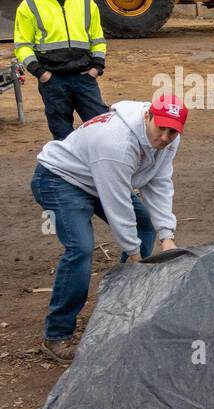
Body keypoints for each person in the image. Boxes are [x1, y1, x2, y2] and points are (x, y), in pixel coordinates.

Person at [29, 96, 186, 363]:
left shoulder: (170, 139)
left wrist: (166, 236)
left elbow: (159, 183)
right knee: (80, 249)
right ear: (148, 116)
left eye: (173, 131)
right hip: (60, 178)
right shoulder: (116, 143)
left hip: (97, 179)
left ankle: (120, 300)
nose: (165, 137)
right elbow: (117, 204)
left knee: (144, 225)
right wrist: (134, 254)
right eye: (161, 128)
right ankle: (57, 334)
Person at [13, 0, 109, 139]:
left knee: (102, 129)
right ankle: (69, 168)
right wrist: (41, 73)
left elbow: (97, 39)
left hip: (84, 78)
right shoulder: (29, 6)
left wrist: (97, 67)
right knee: (62, 135)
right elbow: (23, 45)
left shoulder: (86, 3)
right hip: (53, 80)